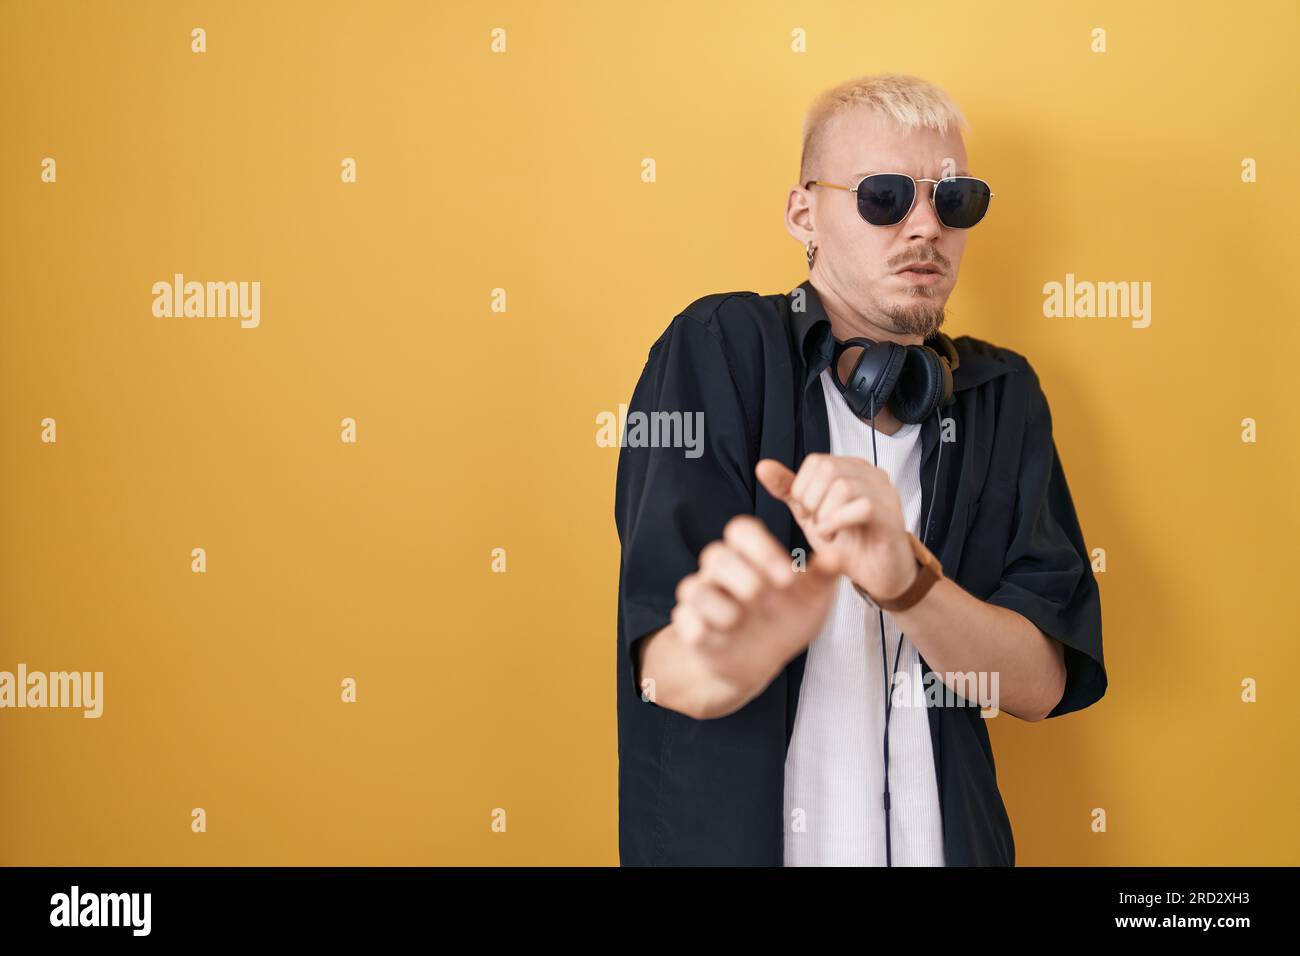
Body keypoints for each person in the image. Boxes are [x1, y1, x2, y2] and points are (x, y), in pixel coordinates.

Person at [613, 73, 1106, 866]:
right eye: (883, 196)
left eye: (955, 201)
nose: (925, 228)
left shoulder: (1000, 395)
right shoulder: (719, 348)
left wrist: (908, 584)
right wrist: (741, 649)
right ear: (803, 212)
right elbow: (667, 671)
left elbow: (1039, 686)